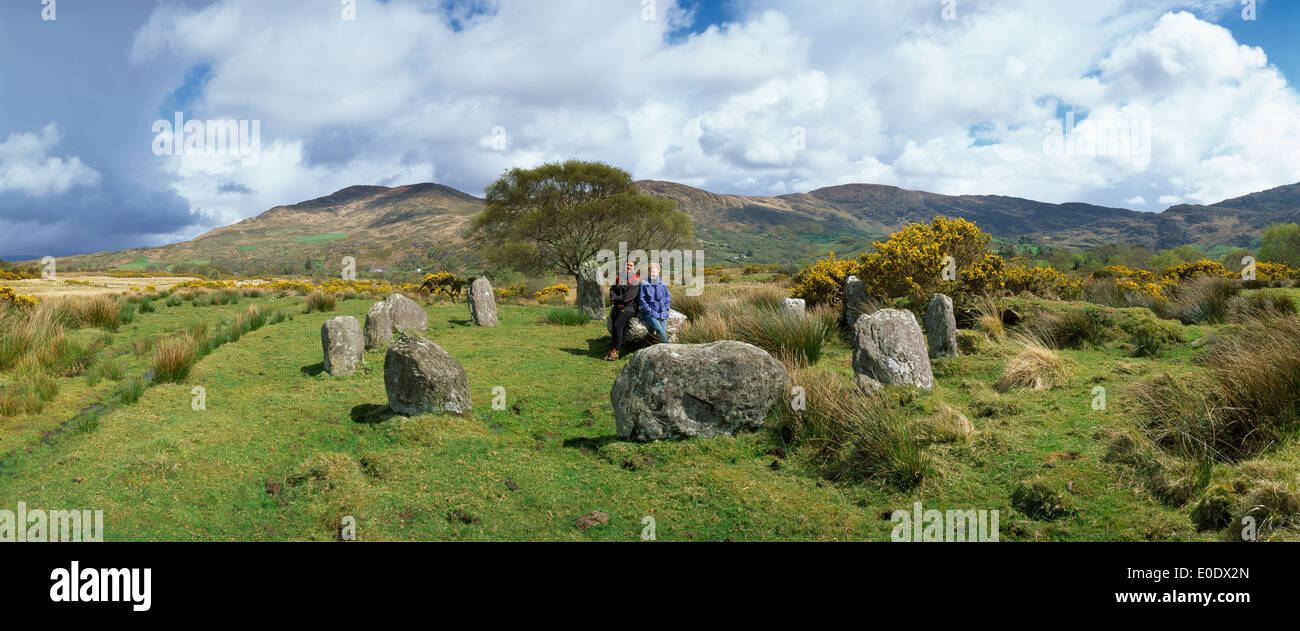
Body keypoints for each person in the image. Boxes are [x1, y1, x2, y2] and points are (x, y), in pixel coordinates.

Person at [604, 260, 640, 361]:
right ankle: (612, 349)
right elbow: (612, 290)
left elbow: (628, 297)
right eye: (627, 265)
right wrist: (614, 298)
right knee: (614, 327)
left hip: (629, 308)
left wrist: (616, 299)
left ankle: (616, 351)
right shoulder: (620, 278)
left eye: (631, 265)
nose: (628, 267)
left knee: (617, 325)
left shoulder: (635, 280)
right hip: (617, 307)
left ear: (634, 268)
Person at [637, 262, 671, 344]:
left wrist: (667, 308)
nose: (651, 273)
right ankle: (668, 347)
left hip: (663, 312)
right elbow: (642, 300)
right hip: (650, 312)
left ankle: (661, 347)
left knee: (663, 330)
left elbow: (667, 297)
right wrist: (648, 310)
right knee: (659, 330)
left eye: (653, 271)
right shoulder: (644, 284)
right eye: (649, 271)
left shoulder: (663, 284)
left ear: (658, 272)